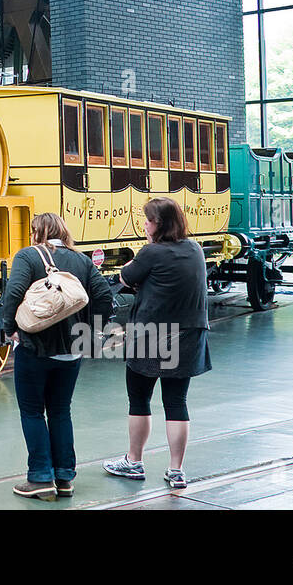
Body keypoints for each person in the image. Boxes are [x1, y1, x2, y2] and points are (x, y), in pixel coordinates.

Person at [0, 212, 114, 501]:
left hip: (35, 347)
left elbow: (12, 293)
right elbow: (103, 296)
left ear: (36, 233)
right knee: (61, 411)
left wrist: (9, 329)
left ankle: (39, 478)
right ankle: (64, 478)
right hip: (71, 351)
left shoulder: (28, 256)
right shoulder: (81, 260)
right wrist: (91, 329)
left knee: (33, 410)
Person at [104, 197, 211, 490]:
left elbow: (126, 277)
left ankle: (134, 461)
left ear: (158, 224)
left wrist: (143, 256)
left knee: (139, 400)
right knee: (176, 402)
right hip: (189, 335)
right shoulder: (195, 250)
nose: (144, 224)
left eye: (147, 220)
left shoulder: (151, 252)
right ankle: (176, 470)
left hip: (152, 336)